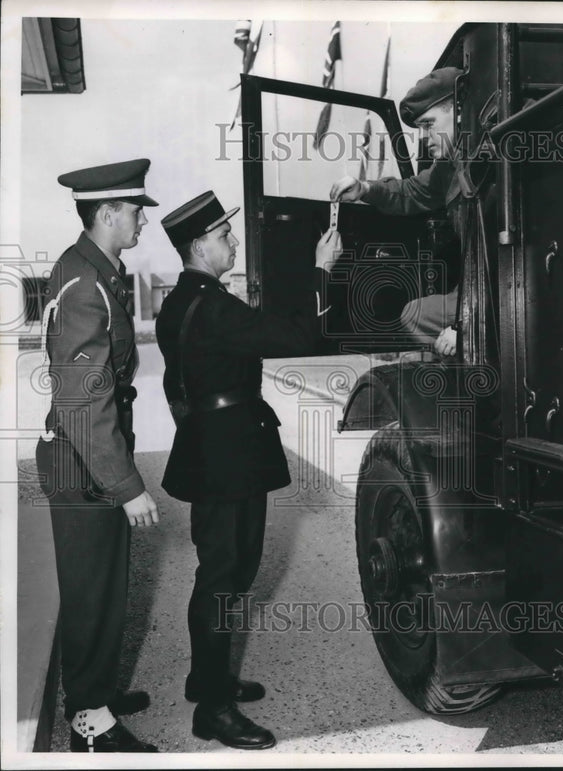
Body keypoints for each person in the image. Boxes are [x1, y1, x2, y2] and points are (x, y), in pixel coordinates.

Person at [156, 190, 341, 750]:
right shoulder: (213, 306)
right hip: (229, 457)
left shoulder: (184, 301)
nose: (233, 242)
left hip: (215, 449)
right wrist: (319, 273)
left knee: (222, 572)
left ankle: (204, 679)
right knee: (226, 576)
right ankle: (212, 710)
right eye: (224, 237)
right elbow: (294, 337)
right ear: (198, 246)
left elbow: (177, 385)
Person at [35, 159, 160, 753]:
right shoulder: (87, 283)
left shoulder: (94, 269)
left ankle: (94, 692)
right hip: (82, 458)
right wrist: (128, 485)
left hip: (85, 453)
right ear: (108, 213)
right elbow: (85, 403)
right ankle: (89, 719)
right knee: (92, 593)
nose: (141, 222)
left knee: (103, 587)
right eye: (136, 212)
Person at [330, 67, 464, 358]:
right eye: (420, 129)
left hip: (500, 289)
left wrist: (463, 323)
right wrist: (365, 188)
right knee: (415, 315)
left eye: (429, 124)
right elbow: (414, 191)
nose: (424, 137)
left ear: (459, 112)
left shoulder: (497, 158)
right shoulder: (450, 165)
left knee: (420, 321)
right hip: (473, 286)